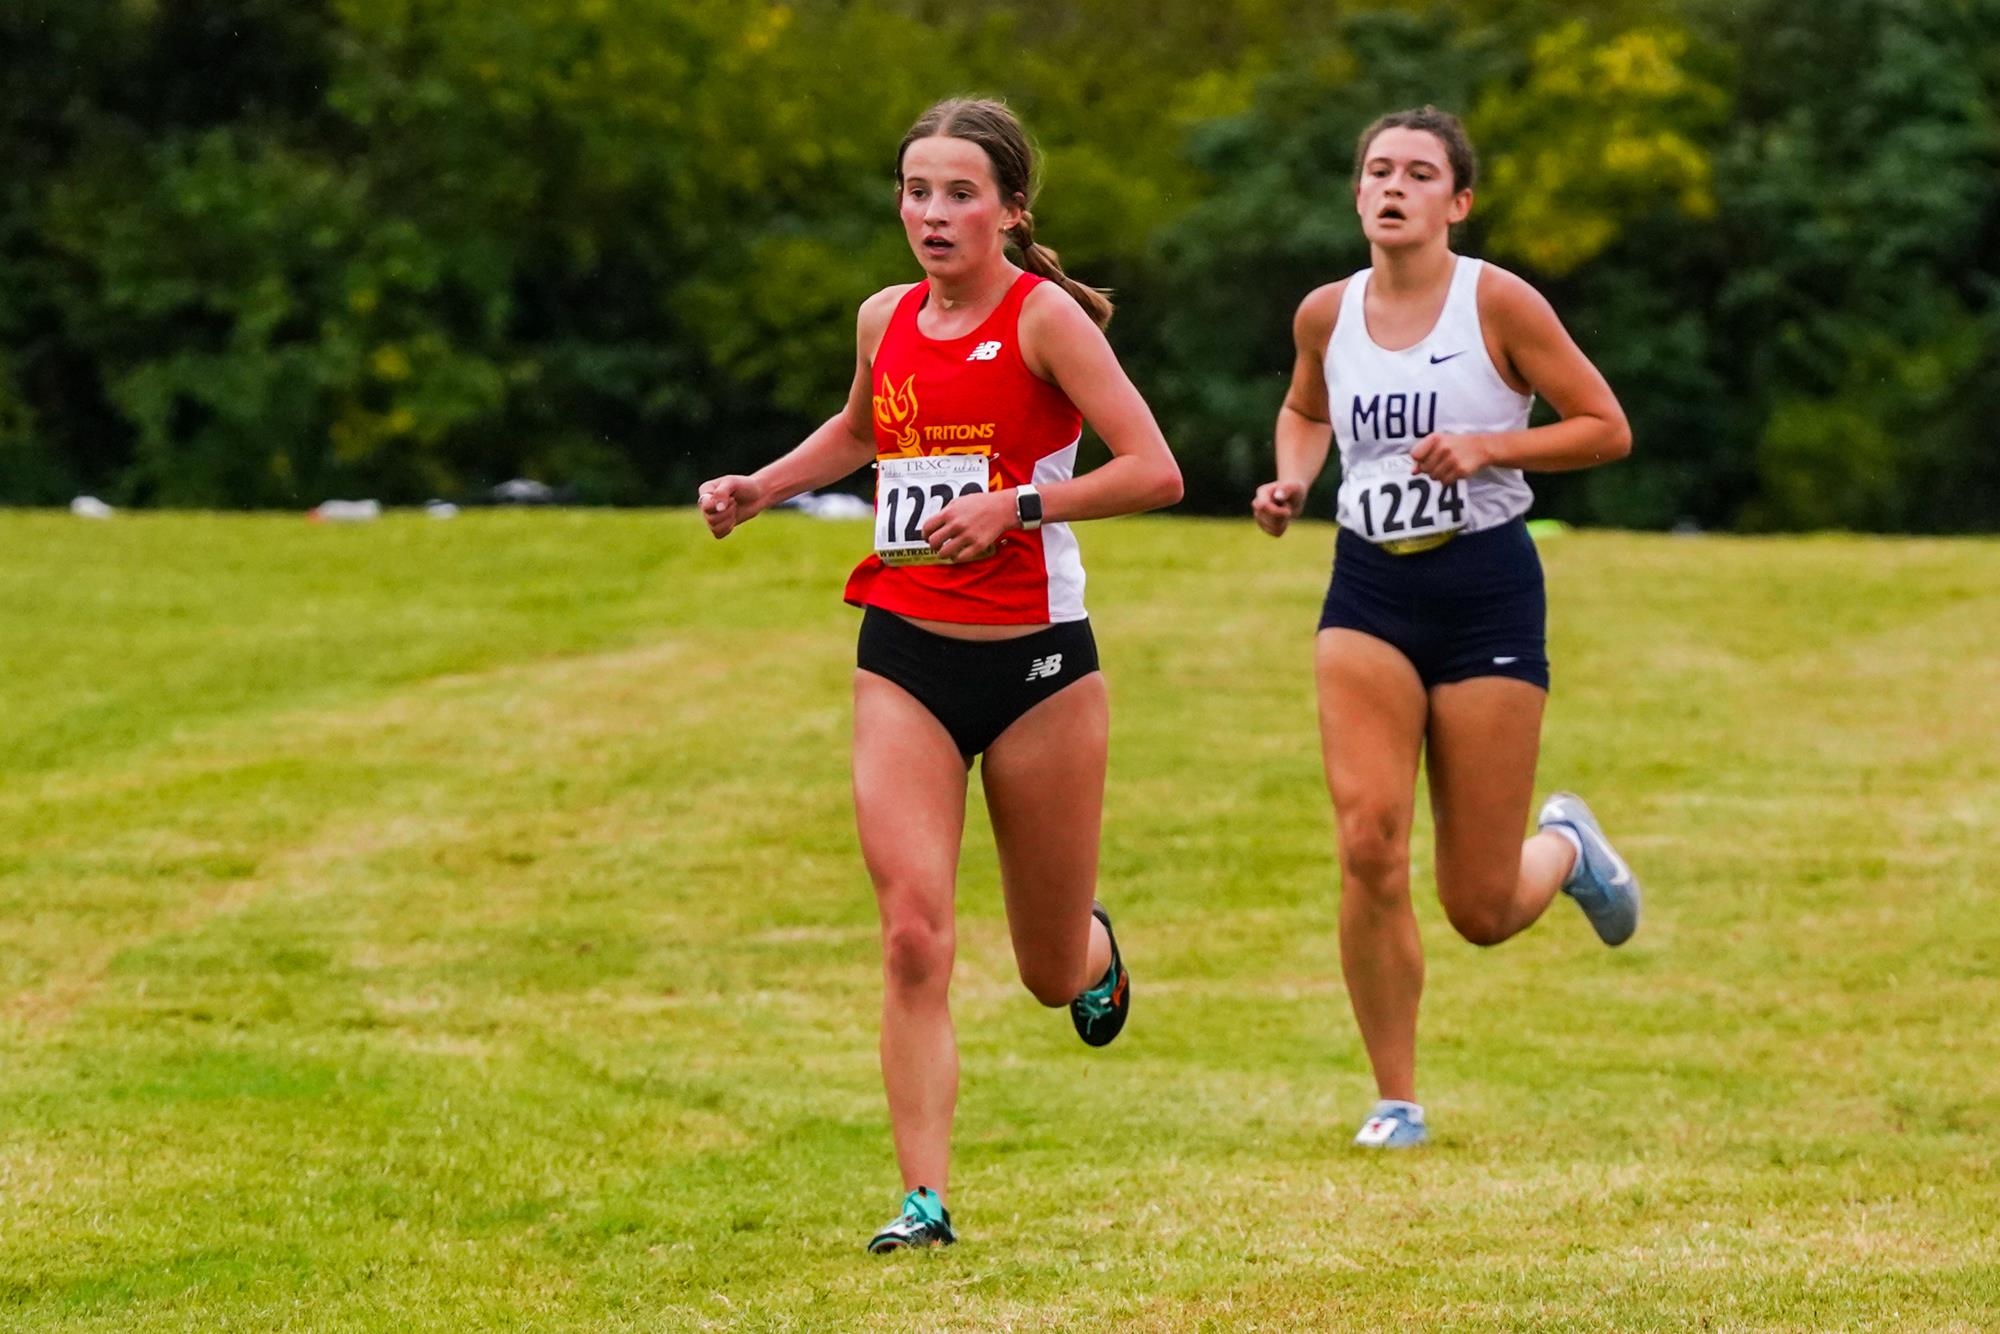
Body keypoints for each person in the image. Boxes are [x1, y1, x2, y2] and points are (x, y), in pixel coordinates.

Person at [699, 98, 1182, 1247]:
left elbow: (1155, 469)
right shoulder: (883, 316)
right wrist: (760, 486)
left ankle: (1094, 953)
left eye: (959, 192)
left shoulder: (1046, 321)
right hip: (904, 649)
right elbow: (863, 429)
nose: (931, 212)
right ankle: (923, 1198)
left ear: (1010, 210)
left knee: (1045, 968)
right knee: (913, 931)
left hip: (1039, 667)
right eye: (916, 190)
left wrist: (1015, 503)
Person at [1252, 106, 1642, 1149]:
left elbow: (1604, 427)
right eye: (1376, 169)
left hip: (1484, 593)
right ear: (1356, 193)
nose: (1391, 186)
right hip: (1367, 593)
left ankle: (1561, 844)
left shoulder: (1496, 301)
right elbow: (1303, 409)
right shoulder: (1324, 314)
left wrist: (1484, 446)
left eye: (1417, 173)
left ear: (1454, 201)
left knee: (1478, 904)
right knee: (1366, 837)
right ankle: (1395, 1096)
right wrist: (1292, 479)